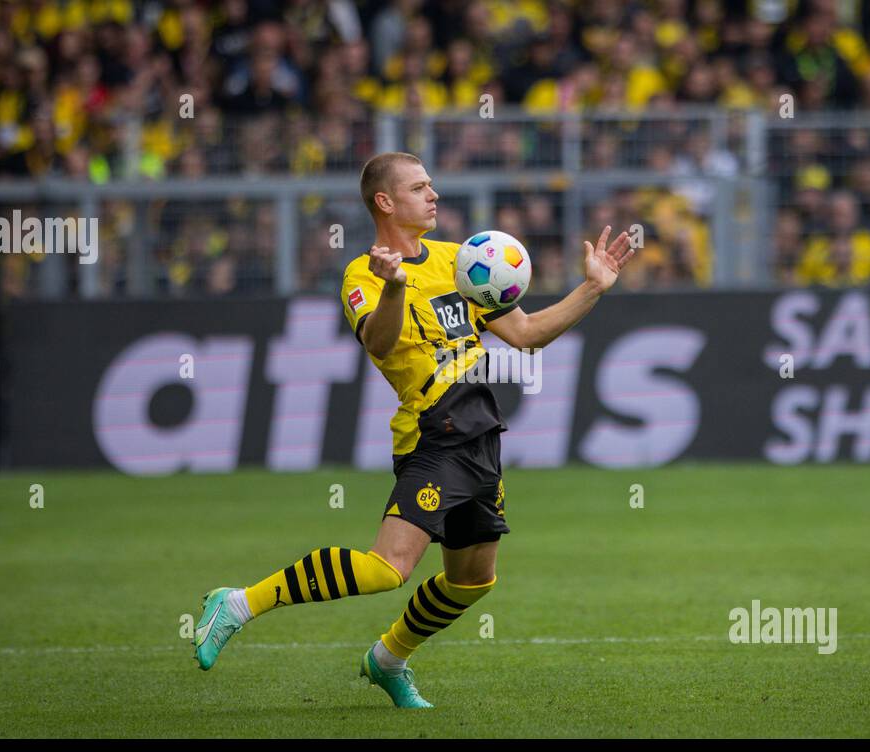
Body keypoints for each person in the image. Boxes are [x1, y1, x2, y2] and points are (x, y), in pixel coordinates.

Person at [191, 151, 635, 707]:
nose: (434, 195)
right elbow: (378, 343)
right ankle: (238, 603)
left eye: (432, 185)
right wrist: (396, 286)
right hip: (433, 435)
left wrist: (592, 287)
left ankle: (388, 659)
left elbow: (525, 335)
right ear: (386, 202)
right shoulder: (363, 273)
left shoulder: (460, 260)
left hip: (480, 436)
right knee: (387, 568)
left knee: (473, 581)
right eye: (420, 187)